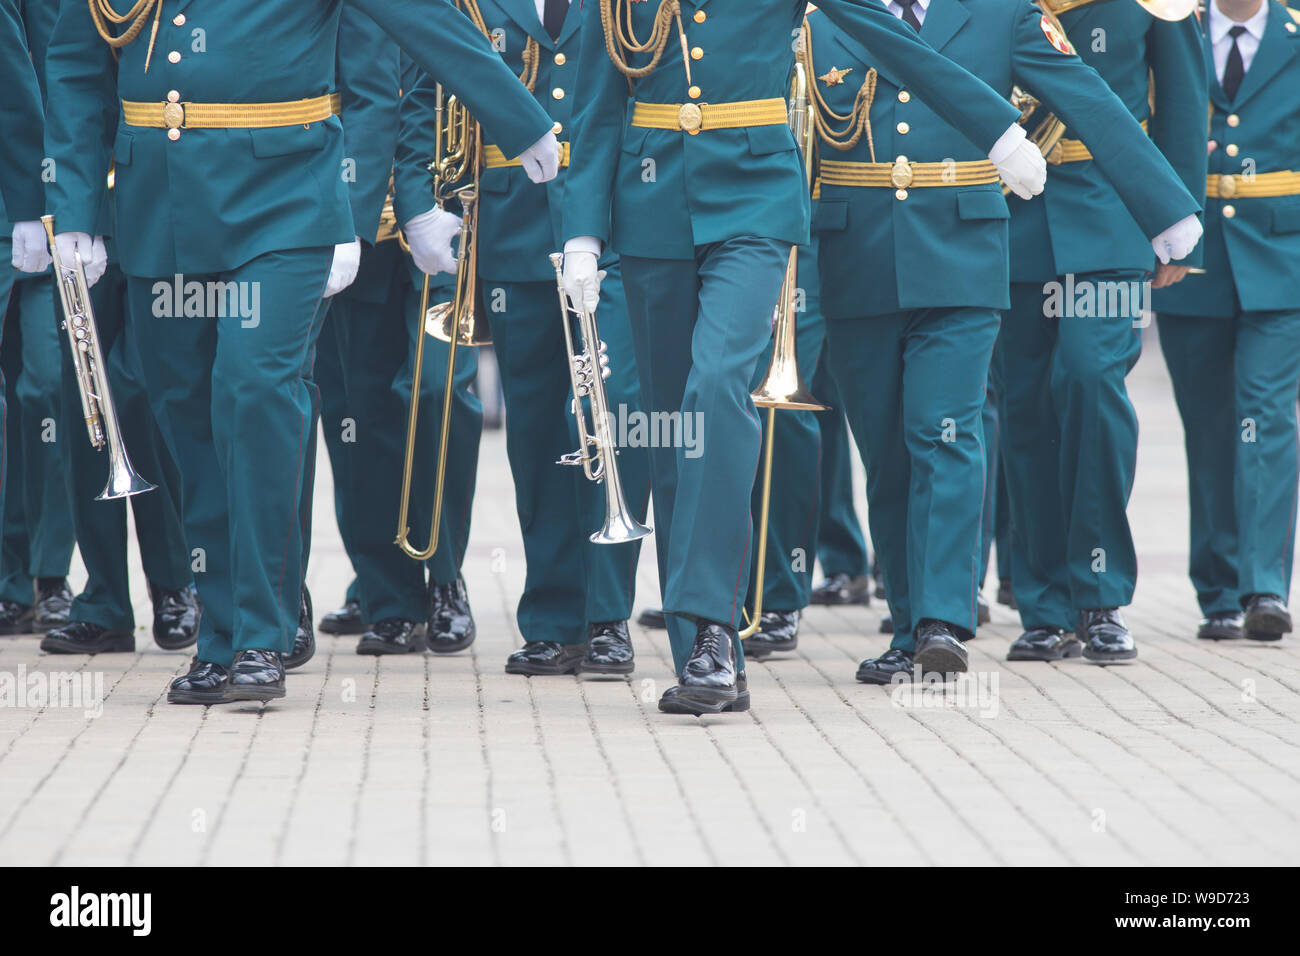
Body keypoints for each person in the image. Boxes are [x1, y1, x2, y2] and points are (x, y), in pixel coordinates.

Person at [42, 0, 559, 705]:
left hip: (283, 199)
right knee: (185, 413)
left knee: (254, 389)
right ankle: (220, 633)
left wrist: (517, 115)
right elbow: (76, 63)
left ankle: (261, 633)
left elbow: (423, 18)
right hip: (159, 201)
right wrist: (74, 205)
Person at [562, 0, 1050, 714]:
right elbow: (599, 103)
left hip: (754, 202)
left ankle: (716, 638)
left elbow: (885, 34)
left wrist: (998, 131)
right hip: (652, 201)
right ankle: (697, 641)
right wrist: (583, 232)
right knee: (672, 432)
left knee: (718, 386)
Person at [805, 0, 1201, 681]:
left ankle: (942, 622)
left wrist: (1167, 208)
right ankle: (908, 624)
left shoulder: (999, 13)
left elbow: (1086, 94)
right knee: (889, 453)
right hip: (857, 259)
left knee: (948, 434)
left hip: (964, 254)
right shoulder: (823, 16)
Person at [404, 0, 653, 677]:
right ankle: (554, 618)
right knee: (538, 429)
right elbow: (430, 86)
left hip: (616, 220)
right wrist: (420, 199)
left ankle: (608, 617)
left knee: (612, 411)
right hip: (514, 227)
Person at [994, 0, 1207, 664]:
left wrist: (1175, 228)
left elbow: (1180, 105)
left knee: (1091, 381)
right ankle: (1043, 604)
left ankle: (1100, 591)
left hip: (1112, 211)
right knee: (1024, 402)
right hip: (1013, 213)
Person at [1154, 0, 1300, 644]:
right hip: (1196, 260)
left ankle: (1264, 584)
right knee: (1210, 427)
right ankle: (1218, 591)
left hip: (1284, 257)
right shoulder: (1169, 24)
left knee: (1266, 417)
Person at [2, 0, 52, 638]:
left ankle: (46, 575)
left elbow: (16, 93)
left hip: (26, 209)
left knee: (47, 391)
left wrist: (32, 209)